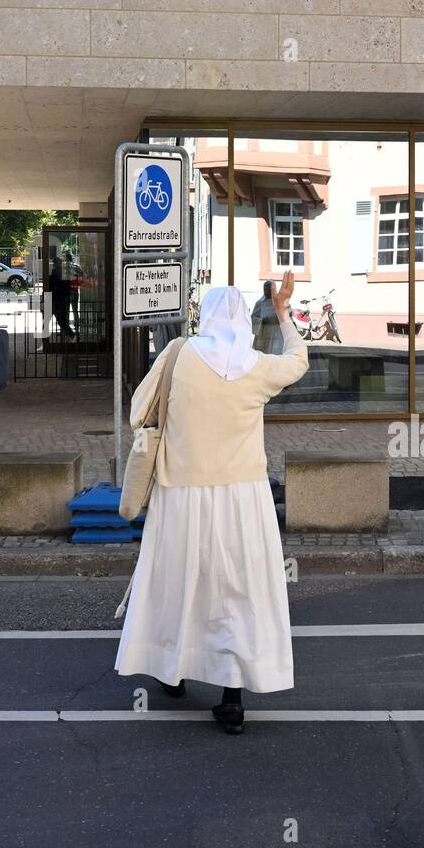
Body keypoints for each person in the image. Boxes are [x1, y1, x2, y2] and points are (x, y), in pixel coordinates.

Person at [115, 272, 308, 735]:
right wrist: (282, 311)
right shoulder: (258, 367)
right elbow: (299, 359)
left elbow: (139, 408)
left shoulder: (180, 354)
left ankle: (174, 670)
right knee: (236, 592)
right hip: (243, 497)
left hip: (181, 491)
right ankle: (233, 698)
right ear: (243, 317)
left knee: (180, 581)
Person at [251, 279, 283, 353]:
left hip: (277, 333)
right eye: (265, 289)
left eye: (268, 289)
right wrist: (261, 321)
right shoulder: (260, 303)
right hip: (263, 334)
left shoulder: (280, 303)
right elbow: (252, 318)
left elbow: (287, 316)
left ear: (273, 289)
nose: (266, 291)